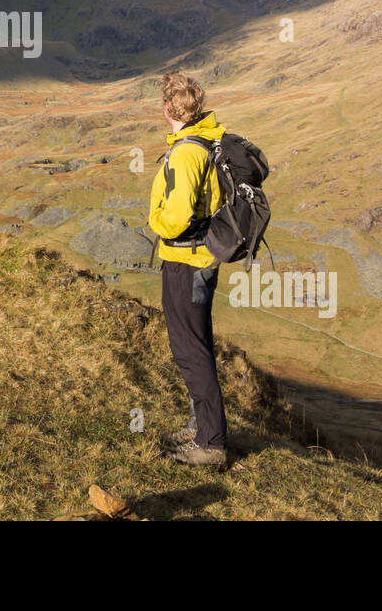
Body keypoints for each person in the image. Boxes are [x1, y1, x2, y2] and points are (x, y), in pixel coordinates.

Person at [146, 71, 229, 468]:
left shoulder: (185, 153)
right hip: (201, 259)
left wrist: (156, 221)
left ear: (167, 109)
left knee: (190, 351)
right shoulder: (206, 141)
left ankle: (211, 443)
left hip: (185, 261)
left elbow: (177, 217)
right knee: (197, 346)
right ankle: (201, 427)